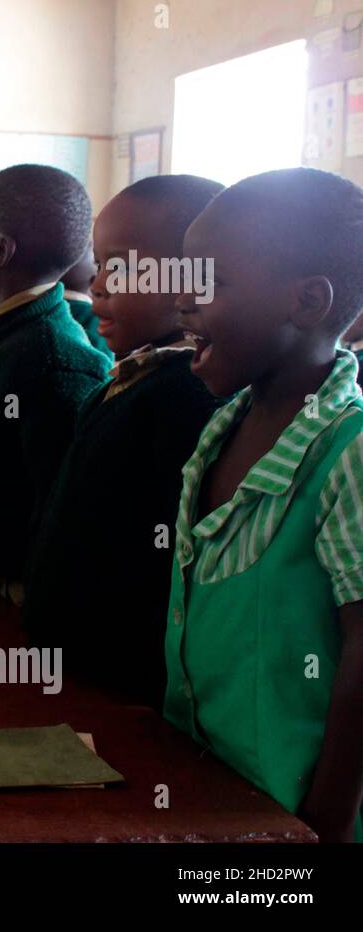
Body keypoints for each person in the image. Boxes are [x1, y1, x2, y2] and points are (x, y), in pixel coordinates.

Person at [167, 168, 363, 842]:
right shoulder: (225, 423)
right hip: (209, 789)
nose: (182, 303)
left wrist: (322, 829)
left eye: (210, 283)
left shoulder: (350, 448)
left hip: (293, 815)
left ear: (308, 302)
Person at [21, 175, 226, 706]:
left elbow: (162, 566)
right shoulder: (133, 377)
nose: (99, 284)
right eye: (100, 263)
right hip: (73, 660)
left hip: (119, 678)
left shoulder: (189, 397)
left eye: (123, 266)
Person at [0, 164, 110, 602]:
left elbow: (60, 503)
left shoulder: (53, 358)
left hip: (20, 590)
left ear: (0, 251)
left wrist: (33, 594)